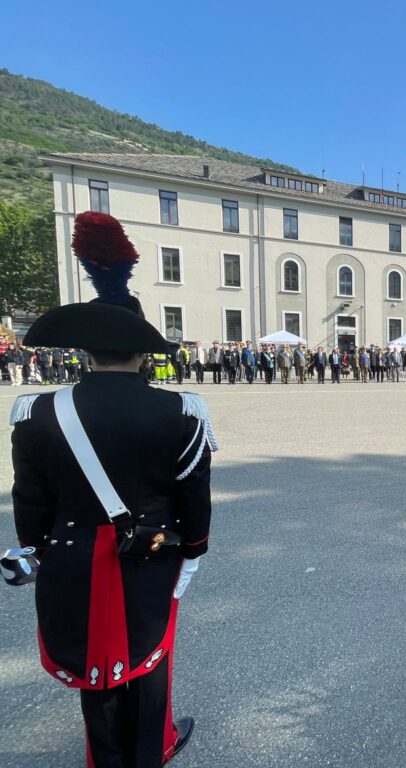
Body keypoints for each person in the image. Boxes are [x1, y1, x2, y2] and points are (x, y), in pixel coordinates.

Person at [10, 211, 212, 766]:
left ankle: (106, 757)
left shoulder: (37, 412)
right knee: (150, 656)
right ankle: (152, 747)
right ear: (144, 350)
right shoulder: (180, 410)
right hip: (153, 549)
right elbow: (193, 497)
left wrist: (40, 553)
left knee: (95, 667)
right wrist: (193, 553)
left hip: (70, 556)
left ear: (83, 350)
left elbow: (30, 504)